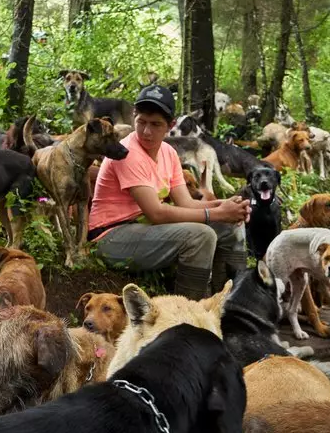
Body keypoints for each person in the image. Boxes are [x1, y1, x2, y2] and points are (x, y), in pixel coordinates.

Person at [88, 84, 250, 299]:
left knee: (230, 226)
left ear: (170, 125)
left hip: (145, 229)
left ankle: (232, 302)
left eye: (155, 124)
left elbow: (186, 203)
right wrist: (217, 213)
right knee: (200, 235)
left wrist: (225, 207)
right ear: (134, 117)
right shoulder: (127, 152)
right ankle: (188, 316)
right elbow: (156, 213)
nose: (146, 131)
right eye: (141, 122)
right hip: (112, 237)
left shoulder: (168, 153)